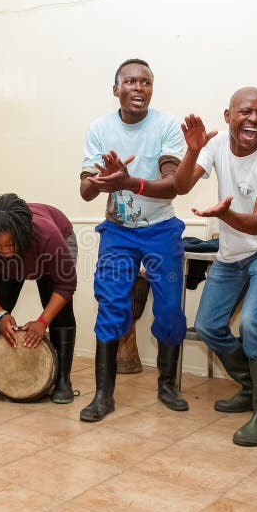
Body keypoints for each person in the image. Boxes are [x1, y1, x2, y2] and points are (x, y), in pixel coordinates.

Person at [175, 87, 257, 447]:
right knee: (209, 326)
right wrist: (193, 149)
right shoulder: (215, 145)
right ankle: (250, 386)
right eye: (245, 112)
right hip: (231, 252)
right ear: (228, 116)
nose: (254, 119)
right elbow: (180, 187)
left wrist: (224, 213)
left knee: (254, 322)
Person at [79, 58, 188, 422]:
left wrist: (127, 182)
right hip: (118, 232)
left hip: (161, 228)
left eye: (145, 82)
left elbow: (173, 184)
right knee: (111, 305)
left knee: (170, 309)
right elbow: (85, 193)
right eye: (130, 82)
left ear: (151, 89)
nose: (138, 87)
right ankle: (103, 395)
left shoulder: (167, 125)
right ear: (116, 90)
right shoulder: (99, 128)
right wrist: (102, 179)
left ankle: (167, 385)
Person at [0, 194, 77, 404]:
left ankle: (63, 380)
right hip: (16, 260)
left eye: (10, 245)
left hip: (52, 246)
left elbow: (66, 285)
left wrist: (43, 321)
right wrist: (1, 314)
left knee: (59, 310)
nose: (5, 252)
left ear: (22, 235)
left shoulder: (48, 235)